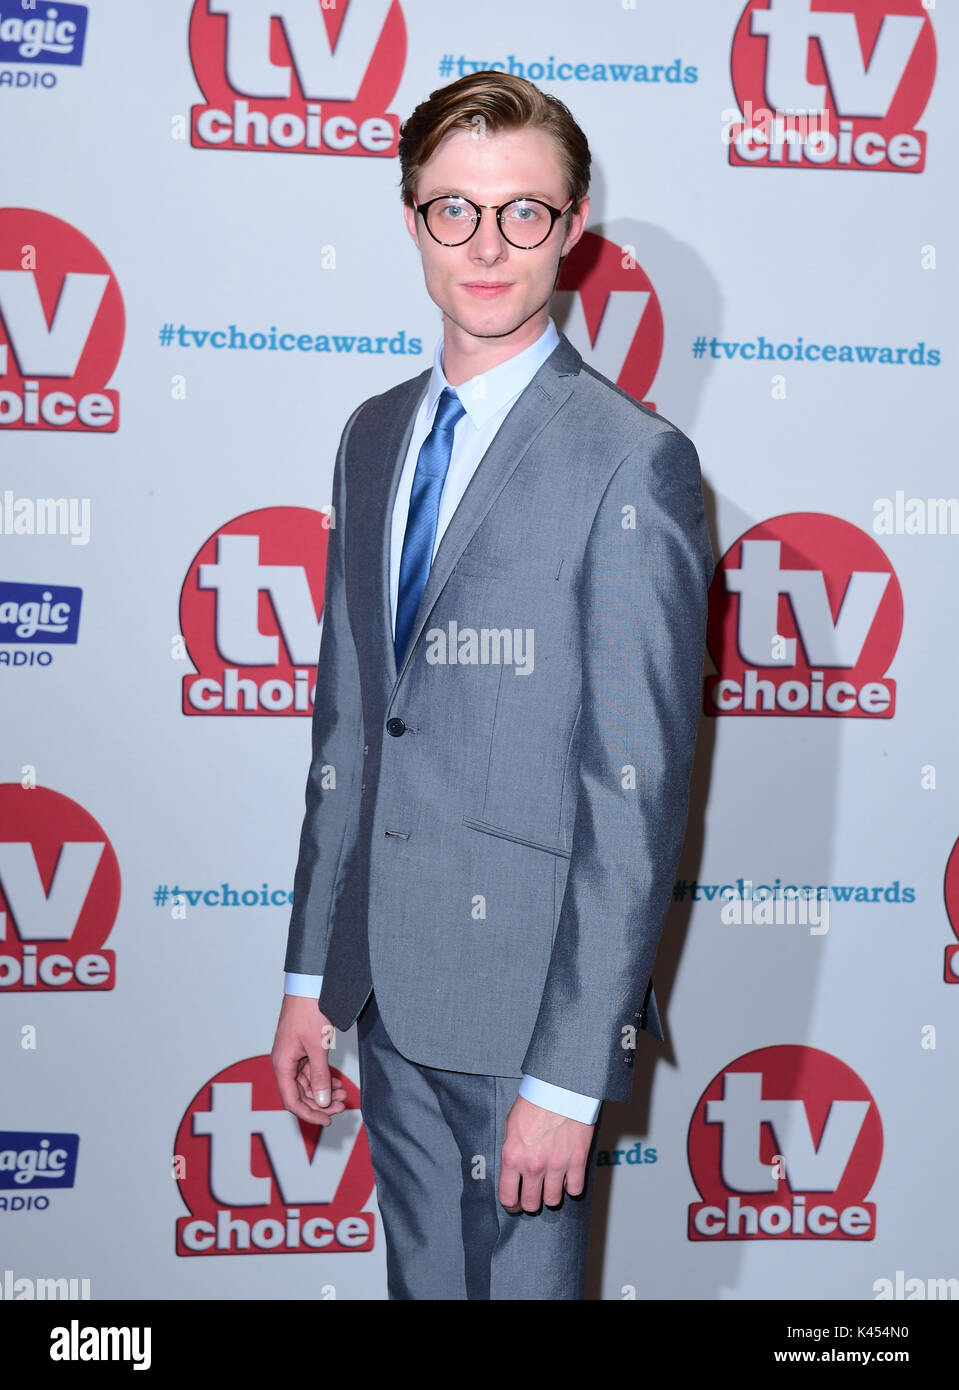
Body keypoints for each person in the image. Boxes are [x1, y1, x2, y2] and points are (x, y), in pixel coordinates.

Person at [271, 70, 714, 1301]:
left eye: (523, 212)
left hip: (529, 1020)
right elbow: (353, 719)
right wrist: (313, 977)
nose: (485, 244)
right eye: (451, 210)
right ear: (408, 218)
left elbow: (635, 793)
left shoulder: (634, 463)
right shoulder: (371, 434)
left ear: (571, 229)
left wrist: (568, 1079)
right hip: (385, 996)